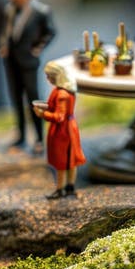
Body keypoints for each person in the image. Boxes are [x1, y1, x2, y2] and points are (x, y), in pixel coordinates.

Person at [0, 0, 56, 154]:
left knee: (33, 98)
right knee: (15, 98)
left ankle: (39, 138)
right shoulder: (10, 10)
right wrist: (4, 45)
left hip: (28, 59)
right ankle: (21, 136)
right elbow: (6, 30)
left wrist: (38, 48)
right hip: (11, 59)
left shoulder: (41, 12)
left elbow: (51, 32)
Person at [34, 61, 86, 199]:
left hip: (63, 132)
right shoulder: (62, 91)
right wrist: (46, 107)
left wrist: (42, 114)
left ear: (55, 76)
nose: (47, 79)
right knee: (69, 159)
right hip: (67, 128)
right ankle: (69, 186)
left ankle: (62, 188)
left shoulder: (61, 94)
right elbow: (56, 109)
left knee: (63, 161)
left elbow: (59, 116)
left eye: (48, 76)